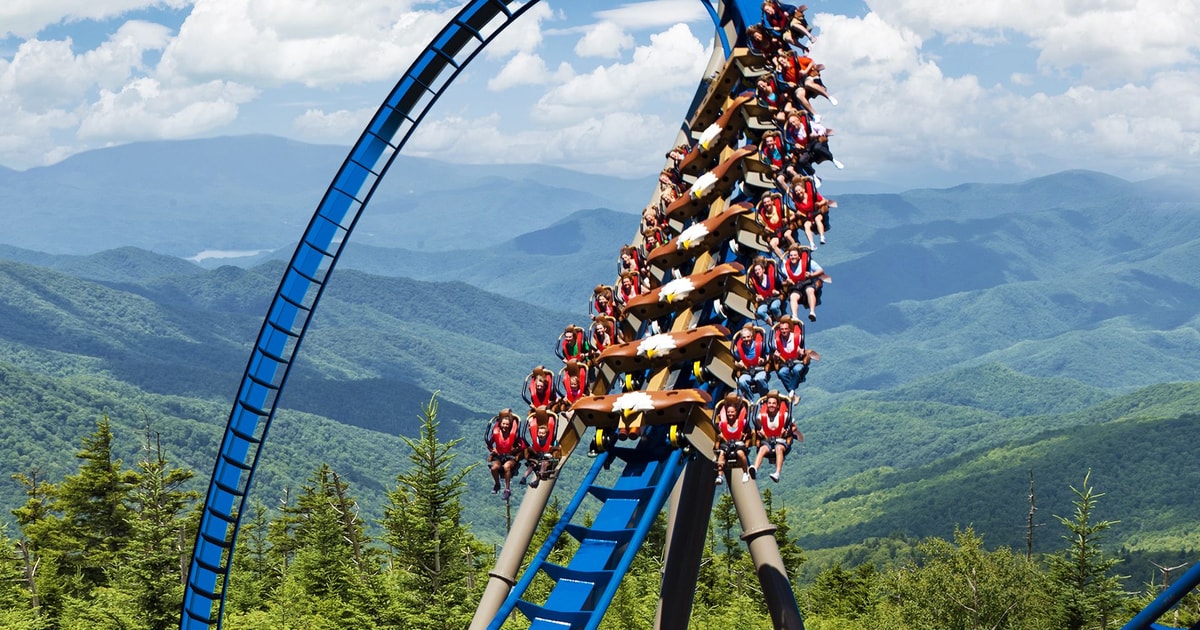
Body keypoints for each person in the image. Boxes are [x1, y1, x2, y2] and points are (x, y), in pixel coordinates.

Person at [751, 391, 802, 483]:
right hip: (767, 440)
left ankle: (777, 473)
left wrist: (787, 432)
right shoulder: (760, 417)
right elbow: (758, 428)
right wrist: (760, 432)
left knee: (779, 448)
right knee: (762, 449)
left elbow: (794, 427)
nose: (771, 405)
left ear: (778, 405)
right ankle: (755, 469)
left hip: (781, 440)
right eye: (769, 403)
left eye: (774, 403)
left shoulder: (785, 416)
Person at [780, 244, 830, 322]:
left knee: (809, 290)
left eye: (794, 255)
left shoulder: (807, 262)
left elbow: (820, 270)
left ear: (799, 256)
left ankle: (812, 312)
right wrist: (787, 282)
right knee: (793, 296)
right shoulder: (785, 267)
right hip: (796, 287)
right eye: (791, 255)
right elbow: (781, 282)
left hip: (808, 283)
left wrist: (811, 275)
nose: (793, 257)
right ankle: (795, 316)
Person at [713, 394, 754, 484]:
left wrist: (745, 438)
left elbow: (749, 433)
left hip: (738, 443)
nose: (730, 414)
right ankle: (720, 476)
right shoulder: (722, 424)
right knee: (722, 454)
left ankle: (745, 473)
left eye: (732, 412)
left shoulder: (742, 422)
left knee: (740, 453)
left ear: (736, 412)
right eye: (728, 412)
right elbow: (719, 434)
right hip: (726, 443)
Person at [772, 315, 816, 397]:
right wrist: (775, 356)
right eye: (782, 329)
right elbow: (775, 355)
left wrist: (801, 352)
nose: (784, 331)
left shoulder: (797, 337)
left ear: (789, 329)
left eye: (785, 329)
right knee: (781, 373)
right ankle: (793, 392)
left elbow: (803, 351)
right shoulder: (776, 341)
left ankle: (791, 390)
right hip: (785, 362)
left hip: (797, 361)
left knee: (797, 369)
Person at [486, 410, 523, 500]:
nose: (505, 426)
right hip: (499, 456)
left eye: (507, 424)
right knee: (494, 467)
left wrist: (516, 449)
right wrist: (492, 450)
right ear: (500, 424)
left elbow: (523, 445)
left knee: (507, 466)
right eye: (503, 424)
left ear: (510, 425)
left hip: (511, 457)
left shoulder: (514, 435)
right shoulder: (496, 434)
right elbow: (489, 444)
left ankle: (507, 489)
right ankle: (497, 484)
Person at [732, 323, 771, 399]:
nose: (746, 339)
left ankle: (764, 398)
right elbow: (735, 361)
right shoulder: (740, 349)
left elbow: (768, 355)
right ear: (741, 339)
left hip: (759, 369)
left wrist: (763, 361)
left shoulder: (760, 345)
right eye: (744, 338)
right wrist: (738, 365)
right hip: (747, 371)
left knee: (760, 378)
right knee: (742, 381)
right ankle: (750, 401)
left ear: (752, 337)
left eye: (748, 337)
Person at [747, 256, 783, 326]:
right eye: (756, 270)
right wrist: (757, 298)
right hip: (764, 301)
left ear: (763, 270)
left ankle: (780, 322)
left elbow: (781, 289)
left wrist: (777, 292)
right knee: (760, 312)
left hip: (774, 298)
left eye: (759, 269)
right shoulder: (754, 282)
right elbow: (754, 296)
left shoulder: (772, 276)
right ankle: (773, 325)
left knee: (774, 307)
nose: (757, 272)